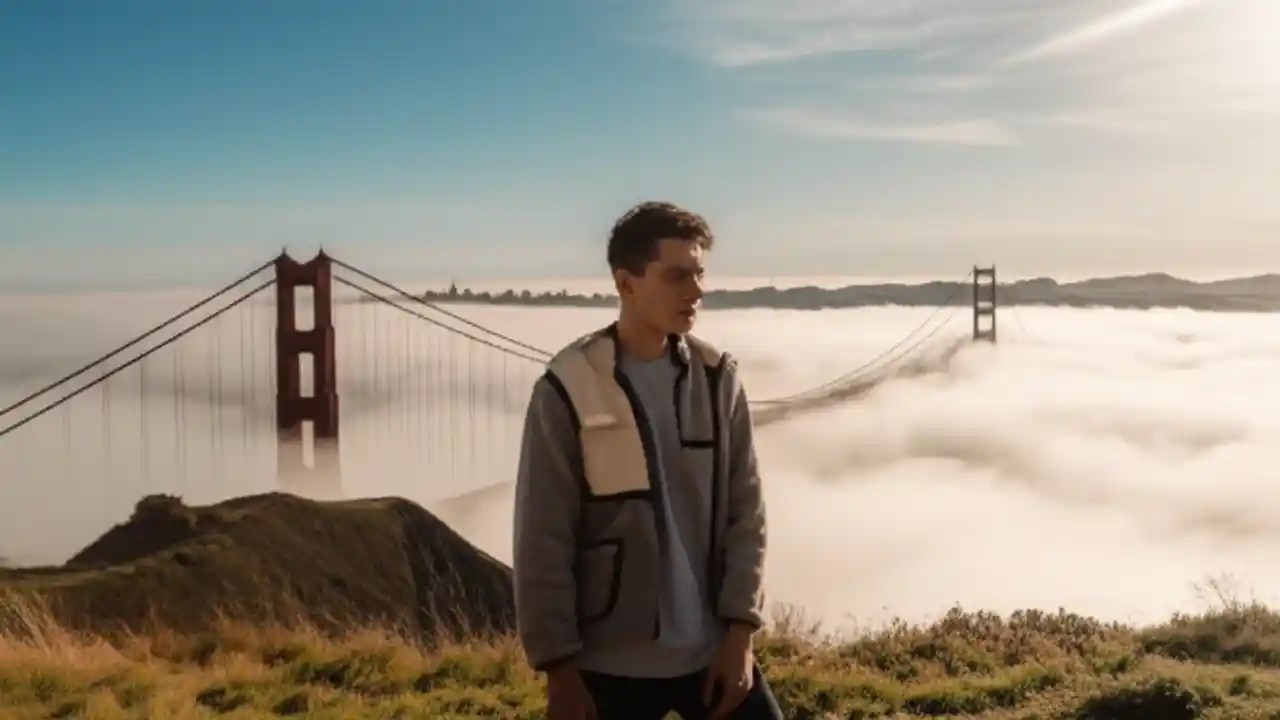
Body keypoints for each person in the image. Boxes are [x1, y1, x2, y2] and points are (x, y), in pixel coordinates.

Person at [512, 201, 783, 719]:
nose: (697, 289)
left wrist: (741, 634)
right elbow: (543, 536)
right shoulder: (567, 387)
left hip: (711, 652)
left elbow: (747, 515)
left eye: (700, 272)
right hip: (604, 668)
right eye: (677, 275)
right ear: (625, 283)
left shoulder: (717, 379)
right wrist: (559, 670)